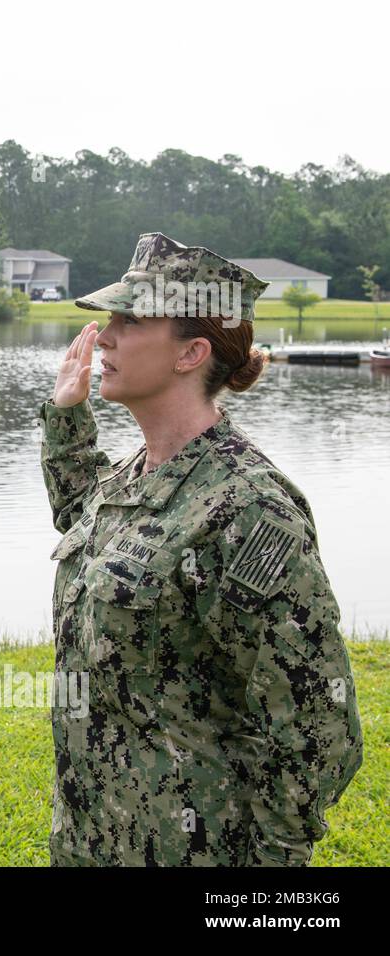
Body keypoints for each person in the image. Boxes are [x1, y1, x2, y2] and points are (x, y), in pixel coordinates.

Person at [39, 232, 363, 866]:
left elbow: (318, 729)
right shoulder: (138, 475)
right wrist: (66, 415)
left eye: (128, 321)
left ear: (191, 352)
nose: (102, 338)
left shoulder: (247, 508)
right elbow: (86, 523)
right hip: (93, 839)